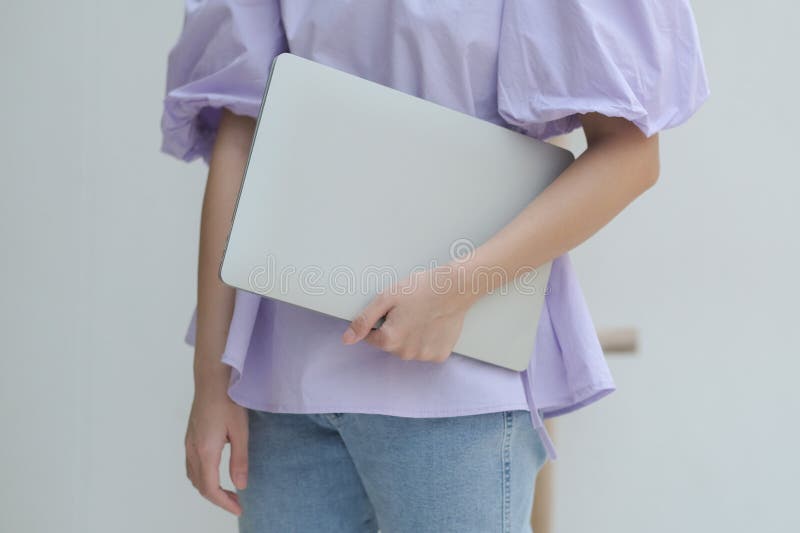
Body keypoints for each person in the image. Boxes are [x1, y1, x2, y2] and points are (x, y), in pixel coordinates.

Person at [160, 1, 709, 531]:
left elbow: (632, 155)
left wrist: (455, 290)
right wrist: (211, 379)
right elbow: (243, 133)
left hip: (458, 383)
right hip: (284, 388)